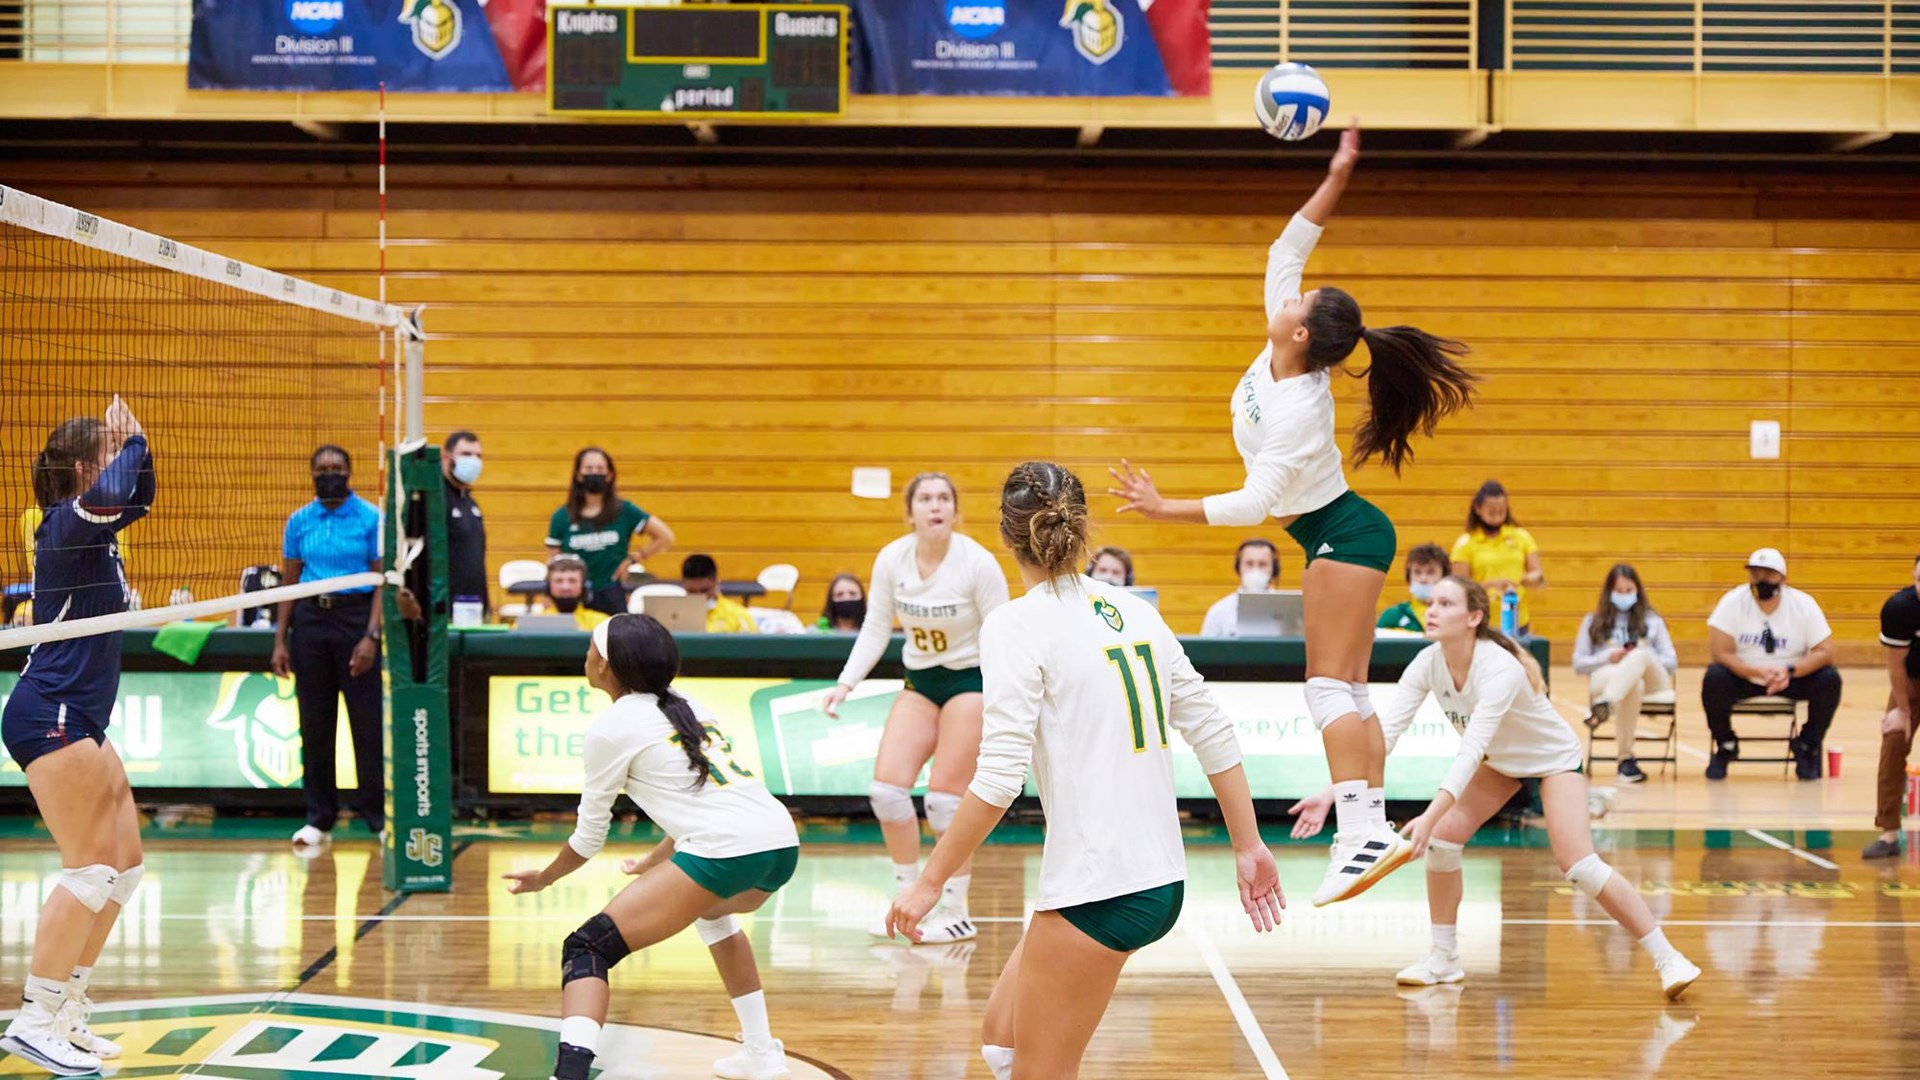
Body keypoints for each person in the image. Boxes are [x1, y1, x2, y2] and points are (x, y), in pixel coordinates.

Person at [1107, 122, 1477, 906]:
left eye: (1301, 300)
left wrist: (1159, 506)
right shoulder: (1288, 335)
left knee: (1325, 687)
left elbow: (1254, 504)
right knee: (1350, 688)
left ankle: (1359, 833)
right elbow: (1290, 244)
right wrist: (1339, 171)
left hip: (1342, 530)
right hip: (1338, 530)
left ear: (1301, 332)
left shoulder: (1299, 410)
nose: (1292, 292)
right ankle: (1369, 826)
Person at [886, 461, 1283, 1080]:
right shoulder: (1136, 610)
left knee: (1038, 1071)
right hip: (1155, 878)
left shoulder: (1015, 625)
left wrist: (929, 882)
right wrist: (1248, 843)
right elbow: (1212, 728)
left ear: (1006, 534)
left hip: (1100, 886)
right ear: (1081, 526)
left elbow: (997, 779)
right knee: (1001, 1040)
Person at [1291, 577, 1702, 1000]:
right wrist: (1333, 792)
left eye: (1445, 603)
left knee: (1579, 863)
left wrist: (1431, 816)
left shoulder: (1499, 667)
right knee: (1444, 843)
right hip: (1501, 764)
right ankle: (1444, 958)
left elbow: (1470, 752)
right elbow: (1386, 735)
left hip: (1551, 760)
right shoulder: (1427, 662)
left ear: (1474, 617)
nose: (1431, 610)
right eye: (1431, 602)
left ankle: (1668, 957)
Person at [504, 614, 801, 1080]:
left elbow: (589, 838)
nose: (585, 657)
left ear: (605, 666)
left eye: (590, 649)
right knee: (713, 914)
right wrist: (652, 862)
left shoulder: (611, 728)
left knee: (587, 948)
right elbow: (707, 804)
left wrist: (546, 877)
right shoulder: (689, 704)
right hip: (780, 842)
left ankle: (569, 1075)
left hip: (728, 848)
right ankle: (762, 1053)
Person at [0, 396, 153, 1075]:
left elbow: (137, 491)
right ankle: (34, 1018)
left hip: (81, 714)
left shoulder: (98, 530)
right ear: (84, 467)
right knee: (90, 867)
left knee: (124, 867)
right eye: (104, 453)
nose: (114, 462)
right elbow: (123, 483)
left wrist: (136, 439)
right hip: (50, 710)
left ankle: (67, 1007)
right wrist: (128, 440)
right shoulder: (64, 525)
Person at [823, 472, 1010, 944]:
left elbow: (1005, 635)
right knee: (886, 792)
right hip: (920, 680)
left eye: (944, 498)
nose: (935, 506)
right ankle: (906, 902)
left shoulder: (978, 564)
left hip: (971, 679)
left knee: (946, 801)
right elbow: (875, 627)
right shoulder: (892, 558)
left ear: (955, 510)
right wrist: (845, 684)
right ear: (910, 512)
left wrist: (1010, 700)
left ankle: (955, 908)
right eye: (925, 499)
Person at [271, 444, 385, 849]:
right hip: (311, 623)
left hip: (356, 619)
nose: (329, 474)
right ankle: (319, 818)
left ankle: (375, 817)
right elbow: (290, 582)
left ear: (349, 472)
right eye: (321, 469)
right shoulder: (300, 521)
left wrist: (371, 636)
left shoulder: (372, 517)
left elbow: (381, 582)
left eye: (337, 467)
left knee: (365, 724)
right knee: (315, 724)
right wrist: (281, 639)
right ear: (312, 474)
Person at [1702, 548, 1842, 781]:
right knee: (1714, 677)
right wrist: (1756, 671)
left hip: (1789, 677)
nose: (1761, 579)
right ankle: (1725, 744)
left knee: (1829, 679)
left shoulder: (1803, 605)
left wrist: (1789, 671)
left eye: (1768, 574)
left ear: (1783, 579)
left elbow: (1825, 652)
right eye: (1755, 573)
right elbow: (1720, 652)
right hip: (1745, 676)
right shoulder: (1732, 602)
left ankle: (1806, 745)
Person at [1572, 564, 1679, 784]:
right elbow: (1578, 663)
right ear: (1609, 592)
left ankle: (1605, 704)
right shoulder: (1592, 622)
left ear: (1637, 591)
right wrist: (1607, 657)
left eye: (1628, 590)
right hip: (1608, 675)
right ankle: (1625, 761)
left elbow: (1671, 661)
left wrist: (1640, 657)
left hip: (1653, 678)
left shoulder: (1652, 621)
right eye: (1618, 591)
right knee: (1633, 685)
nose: (1623, 595)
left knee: (1639, 656)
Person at [546, 448, 675, 616]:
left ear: (609, 475)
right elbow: (552, 561)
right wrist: (548, 596)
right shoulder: (562, 516)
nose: (594, 473)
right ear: (578, 474)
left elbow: (665, 537)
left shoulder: (625, 511)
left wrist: (634, 558)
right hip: (573, 596)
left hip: (611, 590)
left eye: (600, 469)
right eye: (589, 469)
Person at [1865, 554, 1920, 858]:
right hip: (1912, 680)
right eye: (1919, 580)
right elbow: (1896, 664)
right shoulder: (1900, 609)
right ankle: (1888, 832)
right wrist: (1903, 710)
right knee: (1894, 740)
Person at [1449, 480, 1544, 637]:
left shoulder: (1521, 537)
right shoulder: (1466, 543)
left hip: (1517, 621)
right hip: (1481, 623)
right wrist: (1490, 585)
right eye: (1492, 512)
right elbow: (1459, 589)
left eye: (1502, 511)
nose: (1497, 517)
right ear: (1478, 509)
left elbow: (1538, 575)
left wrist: (1524, 579)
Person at [441, 430, 489, 622]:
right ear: (447, 457)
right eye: (466, 454)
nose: (474, 461)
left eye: (478, 456)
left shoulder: (471, 504)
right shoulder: (437, 501)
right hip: (445, 609)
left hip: (475, 606)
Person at [1198, 539, 1281, 638]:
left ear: (1274, 569)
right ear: (1238, 567)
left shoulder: (1287, 610)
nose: (1255, 570)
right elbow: (1205, 650)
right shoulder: (1219, 611)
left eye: (1262, 564)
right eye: (1249, 563)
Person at [1377, 542, 1449, 633]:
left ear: (1444, 577)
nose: (1423, 579)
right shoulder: (1392, 616)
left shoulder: (1454, 617)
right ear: (1409, 578)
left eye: (1430, 572)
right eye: (1417, 572)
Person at [680, 554, 758, 634]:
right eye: (692, 591)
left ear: (716, 582)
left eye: (704, 590)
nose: (699, 597)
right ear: (684, 585)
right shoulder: (674, 615)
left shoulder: (737, 615)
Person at [542, 554, 608, 632]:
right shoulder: (536, 624)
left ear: (583, 586)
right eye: (559, 581)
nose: (565, 587)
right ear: (548, 586)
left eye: (572, 581)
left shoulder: (603, 623)